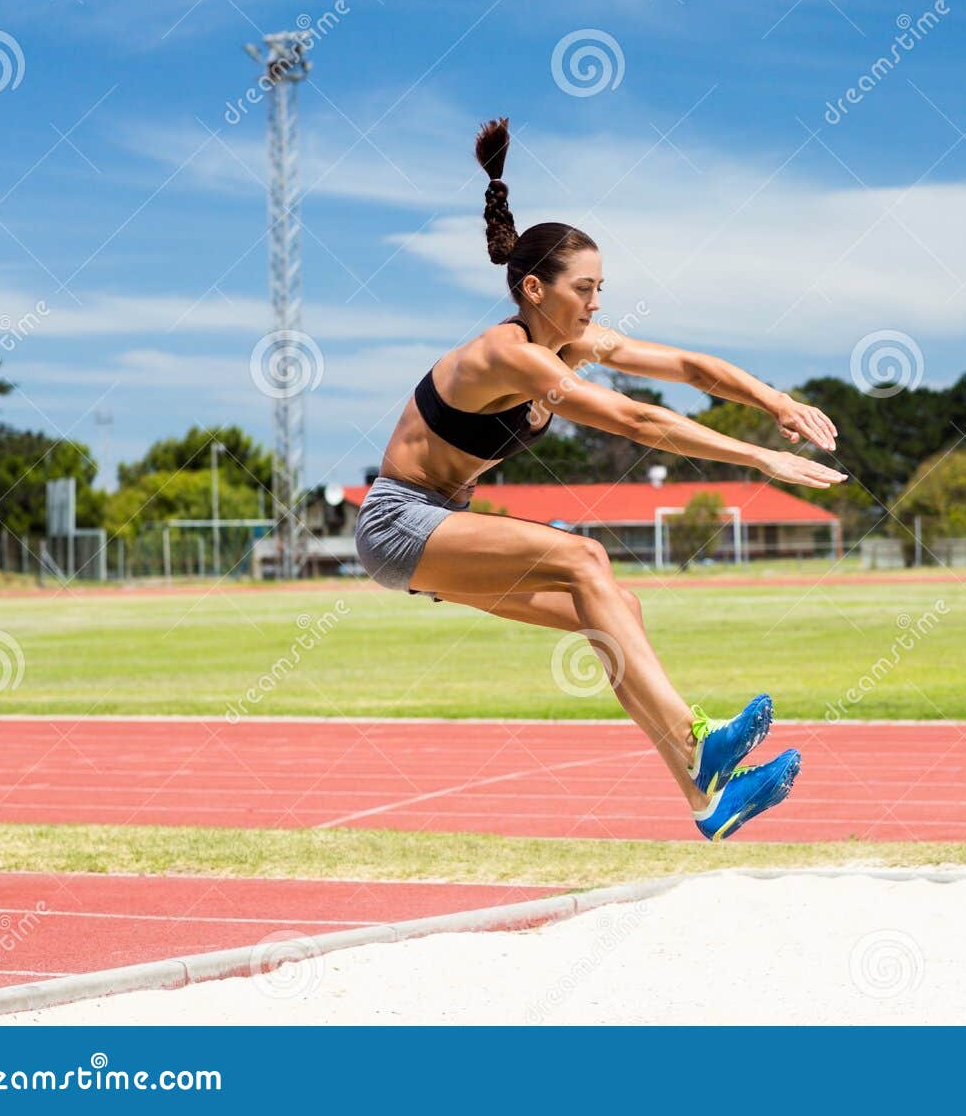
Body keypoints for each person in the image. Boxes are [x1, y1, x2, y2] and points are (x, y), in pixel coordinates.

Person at [354, 116, 848, 840]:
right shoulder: (509, 356)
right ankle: (697, 737)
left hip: (437, 531)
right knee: (585, 557)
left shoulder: (572, 345)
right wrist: (760, 459)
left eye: (600, 287)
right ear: (533, 288)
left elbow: (687, 368)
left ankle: (707, 800)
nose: (596, 302)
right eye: (584, 288)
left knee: (615, 608)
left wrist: (774, 401)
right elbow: (639, 423)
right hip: (399, 523)